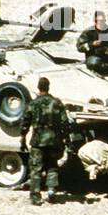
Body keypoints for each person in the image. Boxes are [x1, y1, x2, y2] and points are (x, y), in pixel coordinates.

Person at [18, 76, 70, 206]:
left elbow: (25, 122)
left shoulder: (33, 104)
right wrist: (65, 138)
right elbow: (65, 122)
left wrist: (23, 137)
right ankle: (51, 190)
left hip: (37, 142)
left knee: (36, 169)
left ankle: (36, 197)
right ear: (48, 87)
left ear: (38, 88)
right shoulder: (57, 103)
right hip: (54, 141)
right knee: (52, 165)